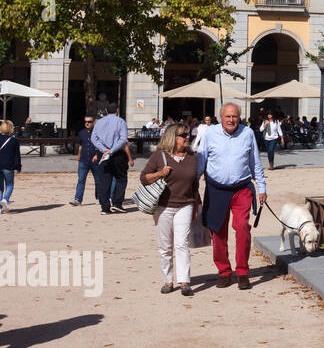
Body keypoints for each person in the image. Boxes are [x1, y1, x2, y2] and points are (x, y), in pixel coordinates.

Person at [197, 103, 267, 290]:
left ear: (239, 118)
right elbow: (201, 159)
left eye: (234, 116)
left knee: (242, 227)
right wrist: (194, 184)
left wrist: (261, 186)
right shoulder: (210, 133)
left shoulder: (247, 133)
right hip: (216, 189)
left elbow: (255, 162)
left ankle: (242, 271)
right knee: (218, 232)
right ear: (220, 118)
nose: (231, 120)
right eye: (227, 116)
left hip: (241, 189)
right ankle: (224, 271)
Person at [141, 123, 200, 296]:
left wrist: (196, 206)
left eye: (188, 134)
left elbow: (195, 185)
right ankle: (168, 280)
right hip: (163, 206)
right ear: (172, 138)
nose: (187, 138)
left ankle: (184, 282)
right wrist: (160, 173)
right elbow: (143, 178)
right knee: (165, 246)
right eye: (183, 135)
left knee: (182, 244)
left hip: (186, 204)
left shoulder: (192, 157)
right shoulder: (159, 156)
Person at [90, 102, 130, 214]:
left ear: (106, 111)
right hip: (117, 153)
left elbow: (94, 138)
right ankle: (117, 203)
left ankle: (105, 207)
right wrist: (111, 150)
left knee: (104, 180)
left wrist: (104, 150)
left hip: (103, 154)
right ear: (117, 111)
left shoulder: (99, 122)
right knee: (121, 178)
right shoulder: (121, 121)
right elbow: (123, 139)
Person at [70, 114, 97, 205]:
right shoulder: (81, 133)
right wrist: (79, 157)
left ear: (93, 122)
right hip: (84, 160)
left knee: (98, 180)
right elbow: (80, 146)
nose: (87, 123)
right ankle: (78, 199)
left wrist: (98, 155)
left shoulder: (98, 132)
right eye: (86, 122)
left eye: (89, 122)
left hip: (95, 160)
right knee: (81, 180)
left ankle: (99, 198)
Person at [0, 120, 21, 213]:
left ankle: (0, 208)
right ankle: (5, 200)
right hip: (8, 165)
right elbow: (17, 155)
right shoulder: (14, 140)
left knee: (0, 187)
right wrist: (18, 166)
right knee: (10, 185)